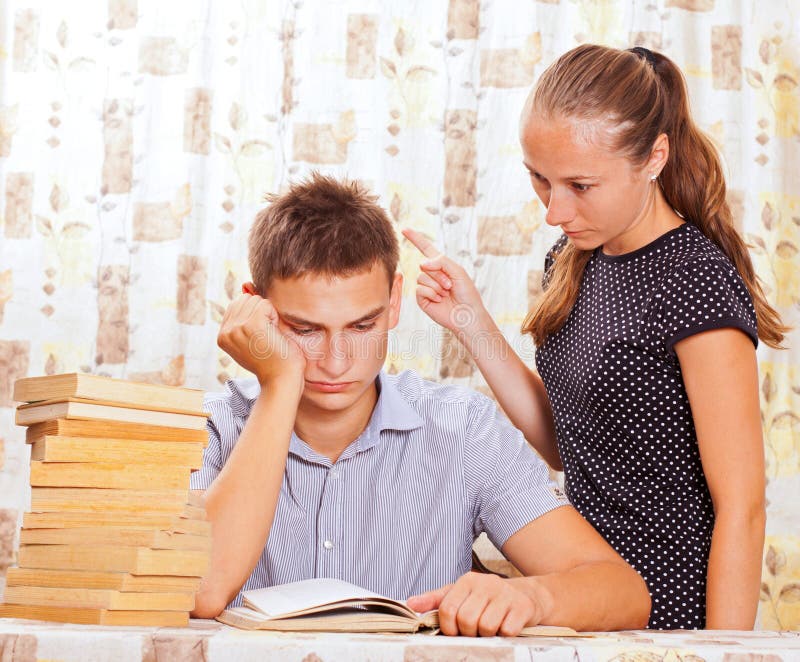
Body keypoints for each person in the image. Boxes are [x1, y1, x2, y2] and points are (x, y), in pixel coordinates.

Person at [403, 44, 786, 630]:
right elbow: (568, 445)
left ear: (654, 158)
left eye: (580, 185)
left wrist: (720, 652)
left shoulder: (694, 280)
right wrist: (470, 322)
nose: (555, 210)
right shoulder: (575, 254)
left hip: (670, 619)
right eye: (540, 179)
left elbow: (743, 508)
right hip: (583, 600)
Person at [189, 172, 651, 635]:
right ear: (256, 309)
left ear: (394, 300)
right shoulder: (206, 429)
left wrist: (530, 596)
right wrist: (280, 383)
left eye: (361, 326)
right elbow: (202, 590)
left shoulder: (464, 428)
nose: (335, 362)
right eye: (305, 330)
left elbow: (624, 593)